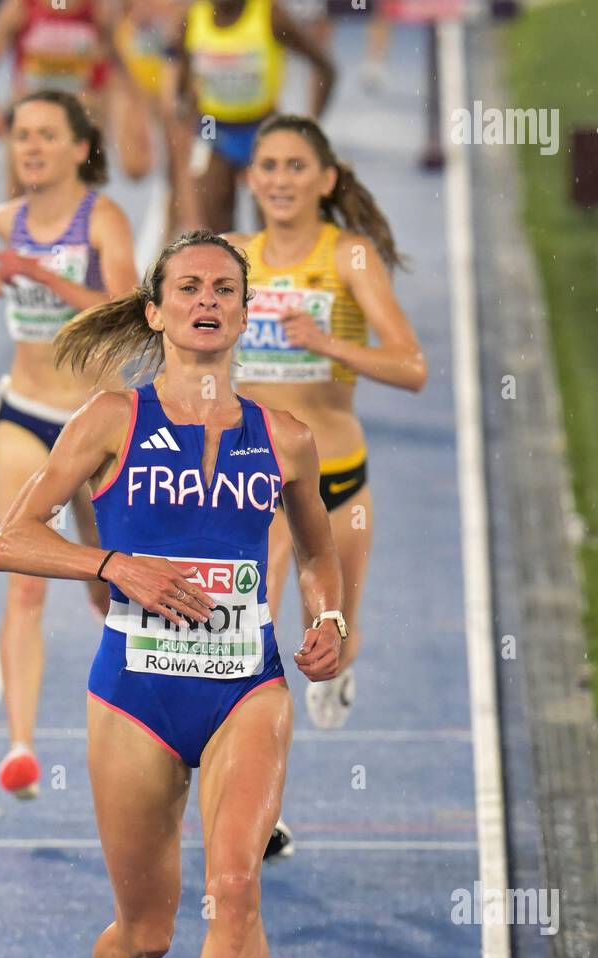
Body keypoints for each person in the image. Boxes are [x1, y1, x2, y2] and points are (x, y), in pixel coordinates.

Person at [0, 230, 346, 958]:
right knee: (145, 932)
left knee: (234, 889)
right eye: (186, 287)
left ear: (242, 314)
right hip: (136, 693)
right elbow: (11, 537)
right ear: (154, 311)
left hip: (246, 688)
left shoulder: (284, 438)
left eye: (222, 290)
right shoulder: (111, 418)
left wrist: (327, 619)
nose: (204, 300)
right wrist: (114, 567)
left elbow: (316, 554)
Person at [0, 91, 137, 800]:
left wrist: (43, 274)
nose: (29, 147)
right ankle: (21, 748)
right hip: (26, 413)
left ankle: (144, 709)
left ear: (79, 147)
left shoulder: (103, 219)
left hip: (96, 427)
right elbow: (11, 276)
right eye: (19, 136)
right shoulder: (6, 217)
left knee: (110, 588)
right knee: (26, 583)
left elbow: (128, 311)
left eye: (44, 135)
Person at [227, 114, 427, 857]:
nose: (280, 180)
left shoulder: (349, 257)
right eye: (268, 166)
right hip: (254, 481)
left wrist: (327, 343)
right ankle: (263, 814)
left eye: (295, 167)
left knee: (328, 639)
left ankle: (339, 670)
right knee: (252, 641)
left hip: (336, 479)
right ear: (251, 179)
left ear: (326, 180)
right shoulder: (234, 258)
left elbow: (411, 367)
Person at [176, 0, 336, 233]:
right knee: (219, 234)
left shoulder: (271, 15)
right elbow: (182, 81)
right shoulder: (192, 19)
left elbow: (325, 67)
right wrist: (185, 113)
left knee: (272, 229)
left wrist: (310, 125)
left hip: (262, 129)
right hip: (214, 129)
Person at [0, 0, 112, 195]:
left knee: (77, 204)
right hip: (31, 117)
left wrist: (103, 119)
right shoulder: (20, 8)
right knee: (16, 201)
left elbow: (117, 73)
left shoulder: (98, 11)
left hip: (76, 120)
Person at [108, 0, 201, 236]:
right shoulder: (120, 12)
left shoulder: (184, 11)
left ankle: (180, 228)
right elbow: (107, 34)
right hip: (134, 86)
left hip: (171, 89)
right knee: (135, 168)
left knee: (179, 165)